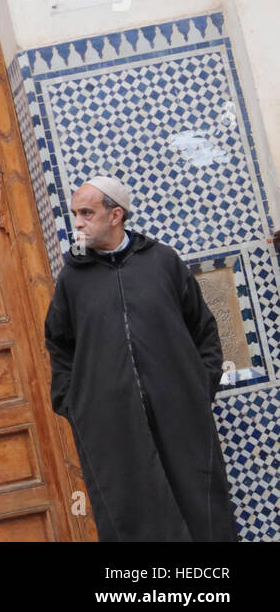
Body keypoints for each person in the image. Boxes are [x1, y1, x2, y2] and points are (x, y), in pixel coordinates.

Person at [43, 175, 238, 541]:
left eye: (86, 213)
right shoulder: (72, 278)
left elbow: (203, 328)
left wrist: (199, 387)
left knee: (200, 506)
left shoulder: (163, 262)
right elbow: (59, 345)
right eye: (75, 214)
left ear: (115, 215)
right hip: (111, 423)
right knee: (133, 514)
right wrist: (75, 405)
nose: (78, 223)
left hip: (180, 412)